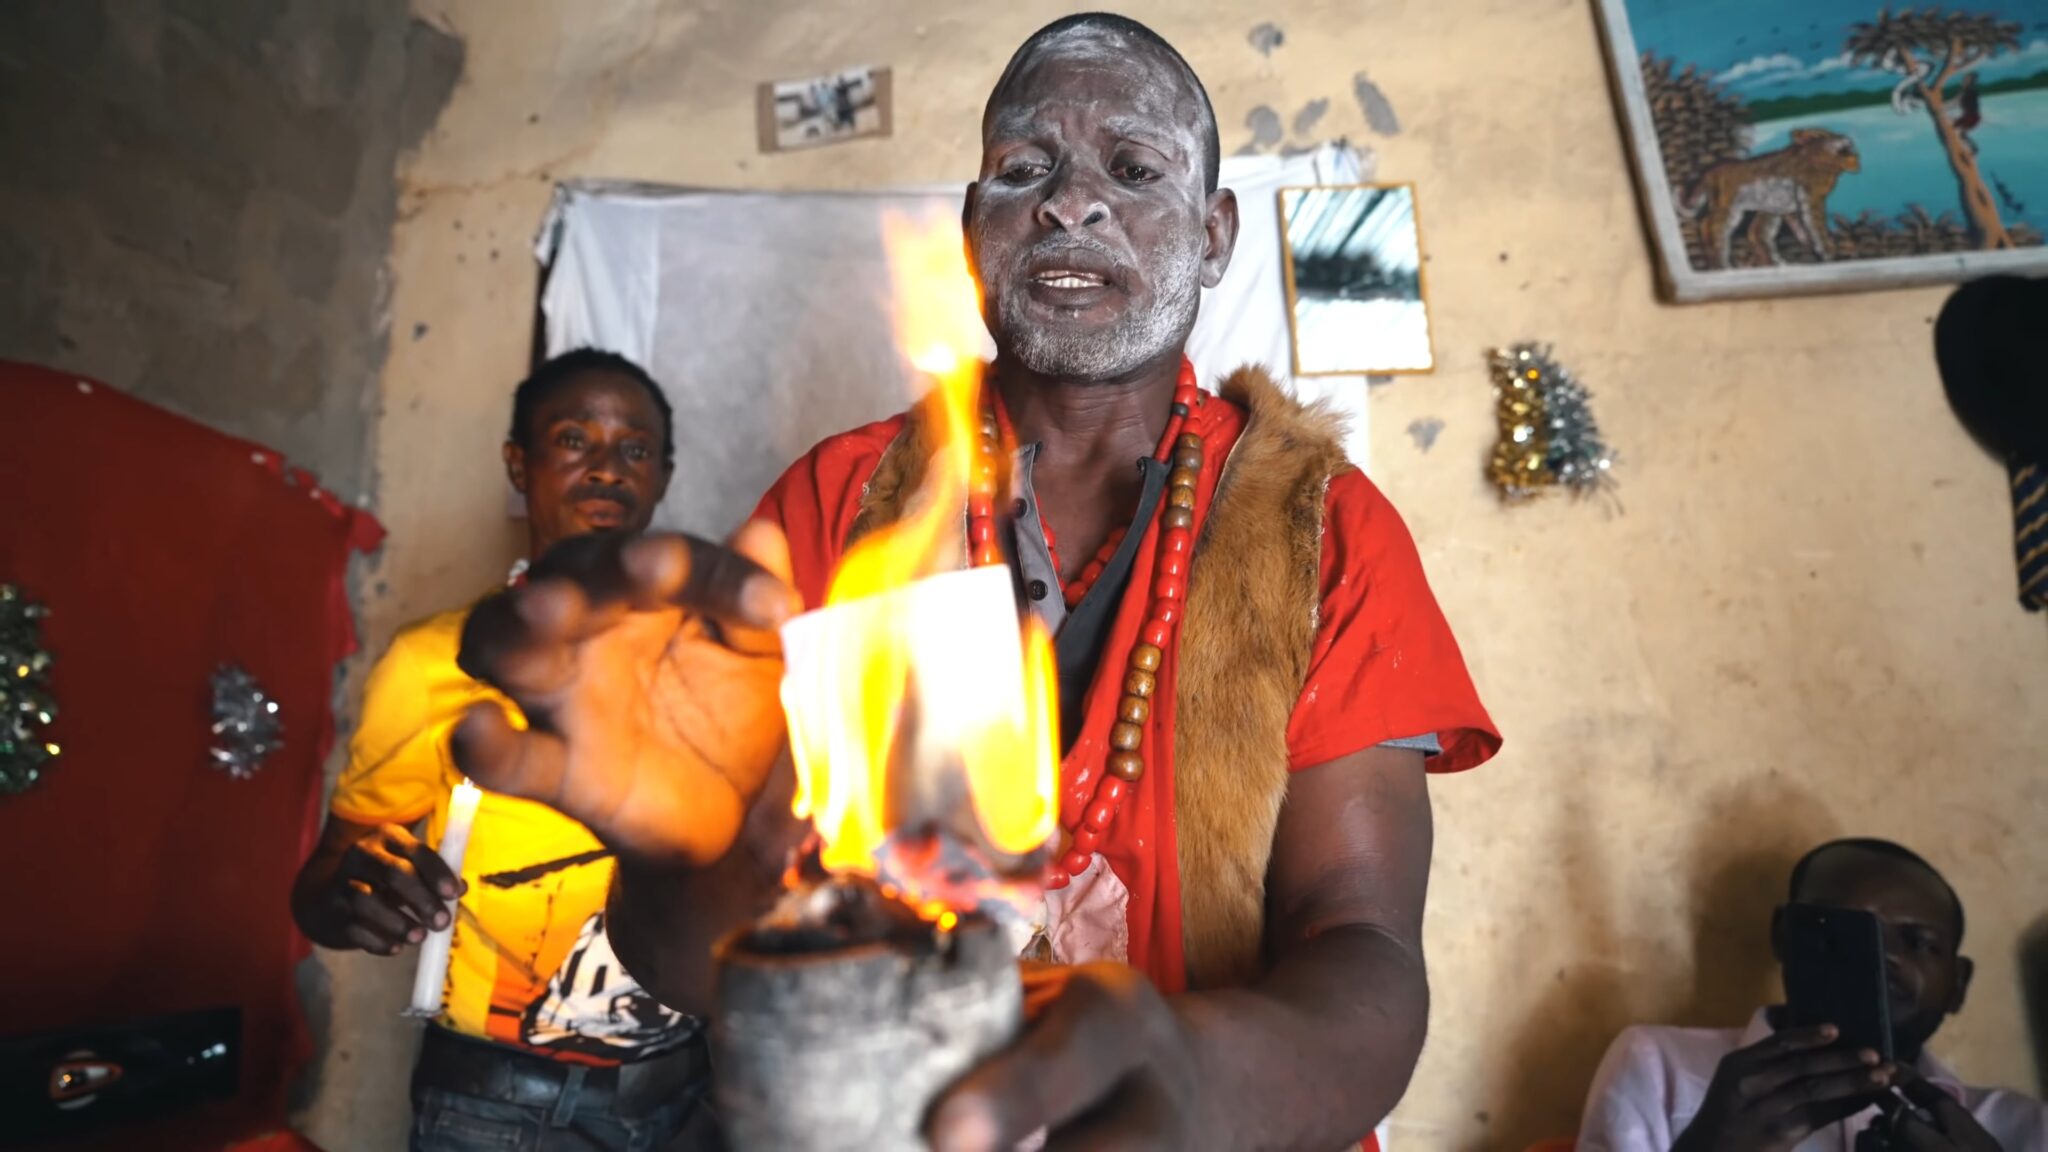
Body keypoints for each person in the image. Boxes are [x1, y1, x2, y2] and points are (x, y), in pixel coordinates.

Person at [450, 13, 1501, 1150]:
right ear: (971, 231)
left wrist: (1192, 1082)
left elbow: (1364, 951)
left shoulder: (1324, 527)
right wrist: (687, 863)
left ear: (1212, 235)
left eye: (1132, 168)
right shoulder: (836, 501)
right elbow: (689, 965)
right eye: (1022, 170)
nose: (1066, 203)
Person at [290, 349, 714, 1151]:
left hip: (686, 1101)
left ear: (661, 476)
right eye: (573, 439)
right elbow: (317, 890)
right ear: (519, 465)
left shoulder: (709, 665)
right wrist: (355, 889)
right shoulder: (434, 662)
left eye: (633, 449)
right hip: (500, 1110)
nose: (605, 468)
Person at [1577, 838, 2048, 1151]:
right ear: (1784, 937)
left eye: (1917, 941)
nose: (1882, 957)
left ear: (1958, 986)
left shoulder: (2020, 1127)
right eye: (1842, 932)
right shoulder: (1661, 1067)